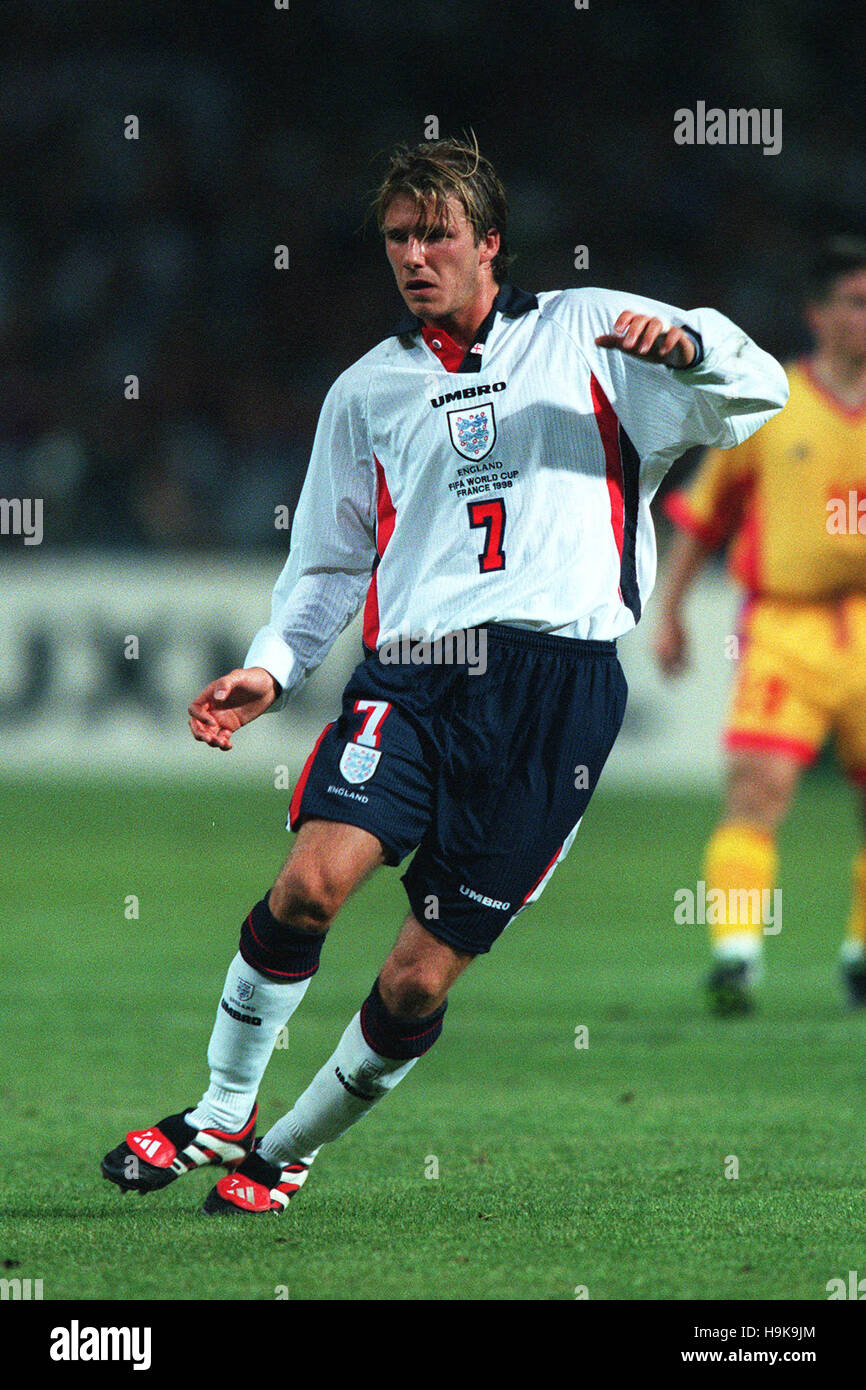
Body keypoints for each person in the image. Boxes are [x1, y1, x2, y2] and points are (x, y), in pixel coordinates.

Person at [101, 135, 787, 1214]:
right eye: (397, 237)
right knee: (309, 884)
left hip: (554, 698)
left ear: (488, 244)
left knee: (416, 978)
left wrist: (691, 344)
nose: (415, 255)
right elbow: (328, 562)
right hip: (413, 677)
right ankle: (221, 1108)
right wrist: (271, 670)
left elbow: (760, 390)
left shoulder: (588, 333)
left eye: (437, 234)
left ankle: (280, 1152)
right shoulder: (367, 391)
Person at [656, 237, 866, 1015]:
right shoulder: (773, 403)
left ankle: (860, 955)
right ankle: (737, 956)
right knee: (759, 787)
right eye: (854, 301)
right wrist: (671, 611)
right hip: (787, 627)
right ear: (818, 314)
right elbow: (702, 515)